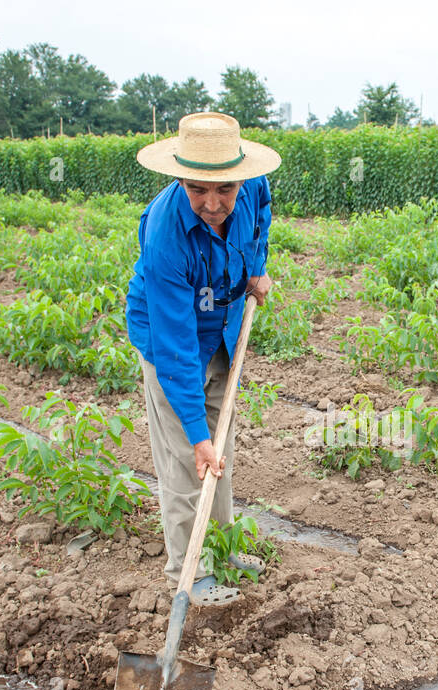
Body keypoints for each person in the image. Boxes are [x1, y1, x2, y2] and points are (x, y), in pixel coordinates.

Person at [125, 111, 279, 606]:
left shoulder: (253, 188)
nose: (212, 204)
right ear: (179, 179)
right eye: (197, 190)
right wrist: (196, 435)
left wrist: (255, 270)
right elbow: (174, 346)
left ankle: (221, 546)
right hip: (173, 339)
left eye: (224, 190)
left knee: (221, 453)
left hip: (222, 327)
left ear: (240, 178)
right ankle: (186, 573)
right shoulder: (166, 236)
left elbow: (259, 226)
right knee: (189, 460)